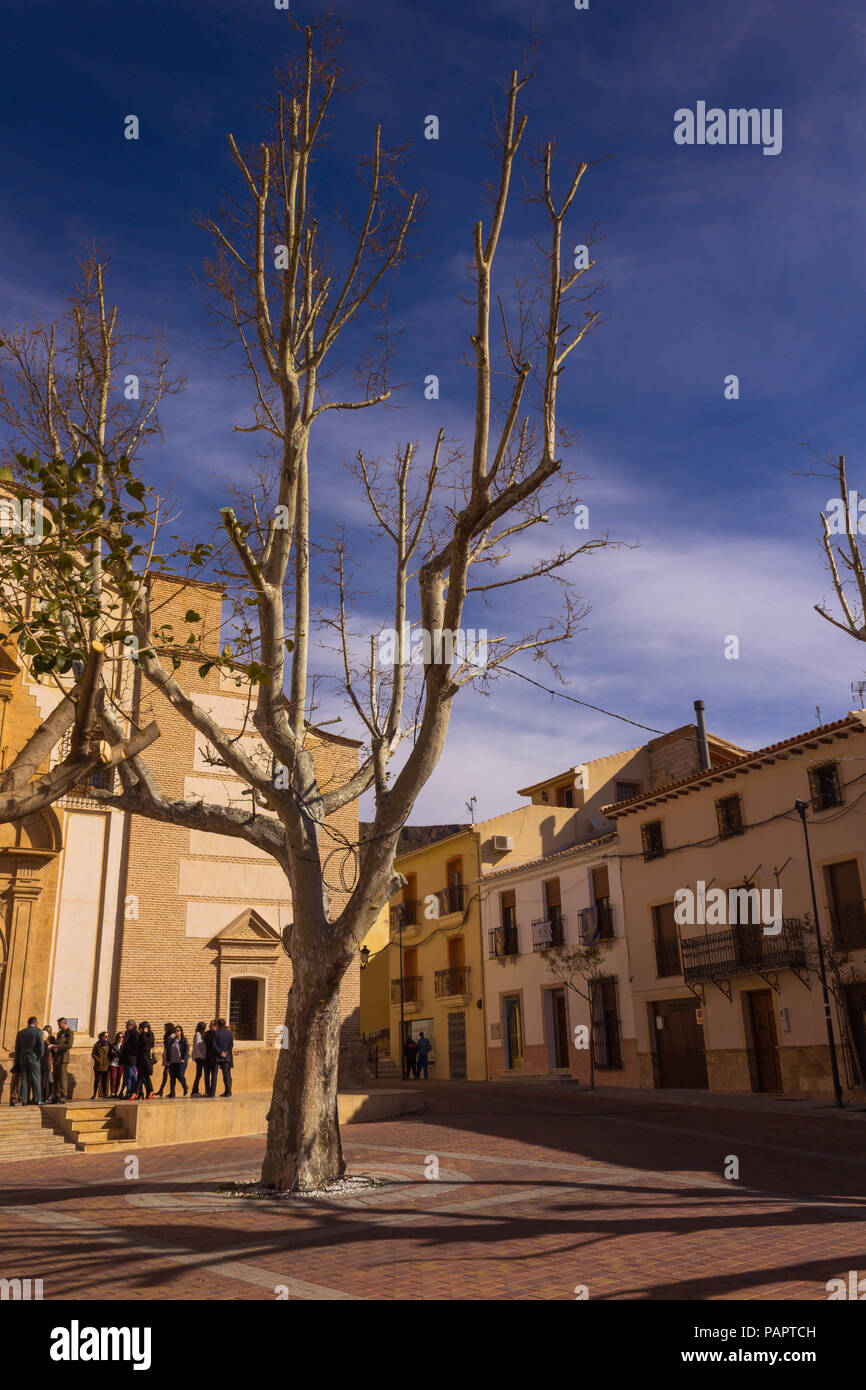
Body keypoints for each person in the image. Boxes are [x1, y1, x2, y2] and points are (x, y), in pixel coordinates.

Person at [14, 1017, 44, 1105]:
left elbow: (17, 1048)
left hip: (23, 1058)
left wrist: (18, 1059)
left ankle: (24, 1100)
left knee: (24, 1078)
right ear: (35, 1023)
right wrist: (40, 1057)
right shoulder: (38, 1032)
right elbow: (41, 1046)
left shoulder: (21, 1032)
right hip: (34, 1057)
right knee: (36, 1078)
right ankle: (38, 1099)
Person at [53, 1018, 74, 1102]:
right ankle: (56, 1096)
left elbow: (69, 1045)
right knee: (56, 1078)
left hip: (63, 1058)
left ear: (63, 1023)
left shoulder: (69, 1032)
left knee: (62, 1078)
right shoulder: (60, 1033)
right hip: (57, 1058)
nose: (58, 1026)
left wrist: (57, 1047)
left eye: (59, 1024)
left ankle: (63, 1096)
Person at [211, 1018, 234, 1097]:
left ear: (217, 1024)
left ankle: (212, 1092)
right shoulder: (229, 1033)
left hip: (217, 1056)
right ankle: (228, 1091)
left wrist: (220, 1052)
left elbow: (214, 1045)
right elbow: (231, 1045)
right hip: (226, 1057)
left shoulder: (215, 1033)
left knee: (214, 1075)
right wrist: (226, 1052)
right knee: (226, 1075)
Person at [119, 1020, 139, 1100]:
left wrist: (130, 1051)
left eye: (127, 1025)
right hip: (126, 1059)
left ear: (132, 1025)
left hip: (132, 1059)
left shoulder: (135, 1034)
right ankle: (129, 1092)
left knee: (132, 1075)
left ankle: (135, 1093)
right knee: (126, 1077)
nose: (126, 1027)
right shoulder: (128, 1034)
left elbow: (136, 1046)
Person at [167, 1025, 189, 1097]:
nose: (176, 1032)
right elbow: (168, 1049)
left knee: (180, 1075)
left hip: (181, 1061)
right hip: (173, 1061)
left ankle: (185, 1086)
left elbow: (186, 1050)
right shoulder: (172, 1040)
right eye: (175, 1031)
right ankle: (172, 1092)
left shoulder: (183, 1040)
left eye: (178, 1030)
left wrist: (183, 1058)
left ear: (181, 1032)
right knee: (172, 1077)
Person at [135, 1021, 155, 1099]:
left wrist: (144, 1033)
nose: (139, 1030)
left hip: (146, 1059)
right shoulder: (140, 1035)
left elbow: (146, 1044)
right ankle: (150, 1091)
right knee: (144, 1076)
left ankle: (135, 1092)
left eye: (140, 1028)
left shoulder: (150, 1035)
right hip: (140, 1059)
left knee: (142, 1076)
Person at [156, 1024, 175, 1097]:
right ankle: (163, 1090)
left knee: (169, 1074)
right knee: (167, 1074)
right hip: (167, 1056)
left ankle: (170, 1091)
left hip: (170, 1057)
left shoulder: (172, 1036)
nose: (164, 1029)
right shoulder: (167, 1035)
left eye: (165, 1028)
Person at [90, 1032, 110, 1098]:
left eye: (107, 1036)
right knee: (97, 1080)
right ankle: (94, 1093)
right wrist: (98, 1060)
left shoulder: (109, 1045)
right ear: (102, 1037)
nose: (107, 1038)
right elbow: (93, 1054)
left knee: (104, 1081)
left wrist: (109, 1061)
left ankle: (105, 1094)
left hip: (106, 1066)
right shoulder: (97, 1045)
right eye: (106, 1036)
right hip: (98, 1066)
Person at [190, 1022, 207, 1096]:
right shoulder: (198, 1034)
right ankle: (194, 1091)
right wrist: (201, 1056)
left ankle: (195, 1090)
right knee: (198, 1075)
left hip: (202, 1057)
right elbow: (197, 1046)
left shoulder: (202, 1034)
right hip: (200, 1058)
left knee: (199, 1074)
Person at [204, 1020, 218, 1098]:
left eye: (212, 1025)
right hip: (207, 1058)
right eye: (210, 1025)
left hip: (215, 1058)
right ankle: (207, 1091)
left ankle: (212, 1092)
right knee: (206, 1075)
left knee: (214, 1075)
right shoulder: (206, 1034)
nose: (210, 1027)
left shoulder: (217, 1034)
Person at [41, 1027, 54, 1104]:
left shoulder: (50, 1040)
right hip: (45, 1063)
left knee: (50, 1079)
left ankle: (50, 1095)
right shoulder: (43, 1042)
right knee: (45, 1080)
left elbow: (52, 1051)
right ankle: (43, 1096)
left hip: (49, 1063)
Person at [108, 1032, 123, 1097]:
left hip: (121, 1064)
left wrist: (118, 1053)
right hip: (113, 1064)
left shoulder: (123, 1046)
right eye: (119, 1037)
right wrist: (119, 1054)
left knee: (118, 1079)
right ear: (117, 1037)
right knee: (113, 1078)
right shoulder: (113, 1045)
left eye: (122, 1037)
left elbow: (123, 1054)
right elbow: (111, 1053)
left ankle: (116, 1092)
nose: (120, 1038)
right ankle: (112, 1092)